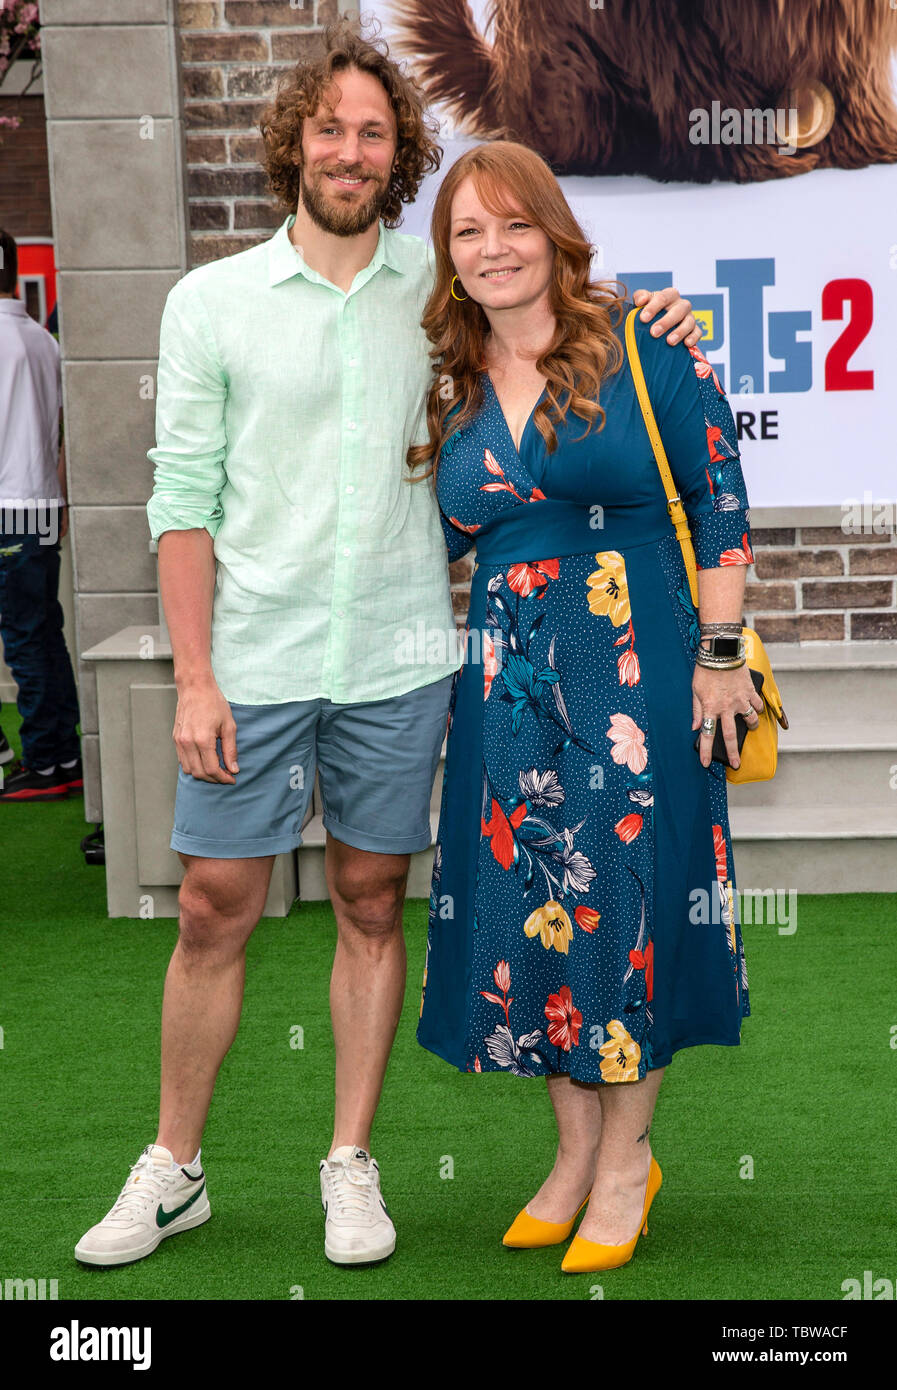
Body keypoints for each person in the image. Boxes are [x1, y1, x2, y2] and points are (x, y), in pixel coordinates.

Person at [73, 19, 698, 1271]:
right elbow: (180, 503)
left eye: (373, 133)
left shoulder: (444, 292)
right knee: (212, 907)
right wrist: (194, 677)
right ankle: (174, 1165)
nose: (350, 152)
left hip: (402, 665)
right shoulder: (211, 304)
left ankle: (349, 1163)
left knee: (370, 901)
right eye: (330, 130)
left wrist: (654, 315)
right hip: (252, 660)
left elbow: (561, 320)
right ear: (293, 143)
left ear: (398, 155)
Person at [412, 140, 759, 1273]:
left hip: (634, 668)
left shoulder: (643, 343)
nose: (493, 249)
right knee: (535, 912)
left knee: (625, 906)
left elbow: (718, 499)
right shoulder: (451, 379)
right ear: (448, 255)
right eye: (468, 232)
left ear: (555, 233)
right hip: (507, 688)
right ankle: (570, 1158)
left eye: (514, 224)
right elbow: (444, 534)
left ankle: (626, 1162)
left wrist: (720, 656)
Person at [0, 227, 82, 802]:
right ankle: (64, 754)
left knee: (26, 639)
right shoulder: (42, 340)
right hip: (43, 503)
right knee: (43, 632)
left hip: (10, 505)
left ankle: (45, 761)